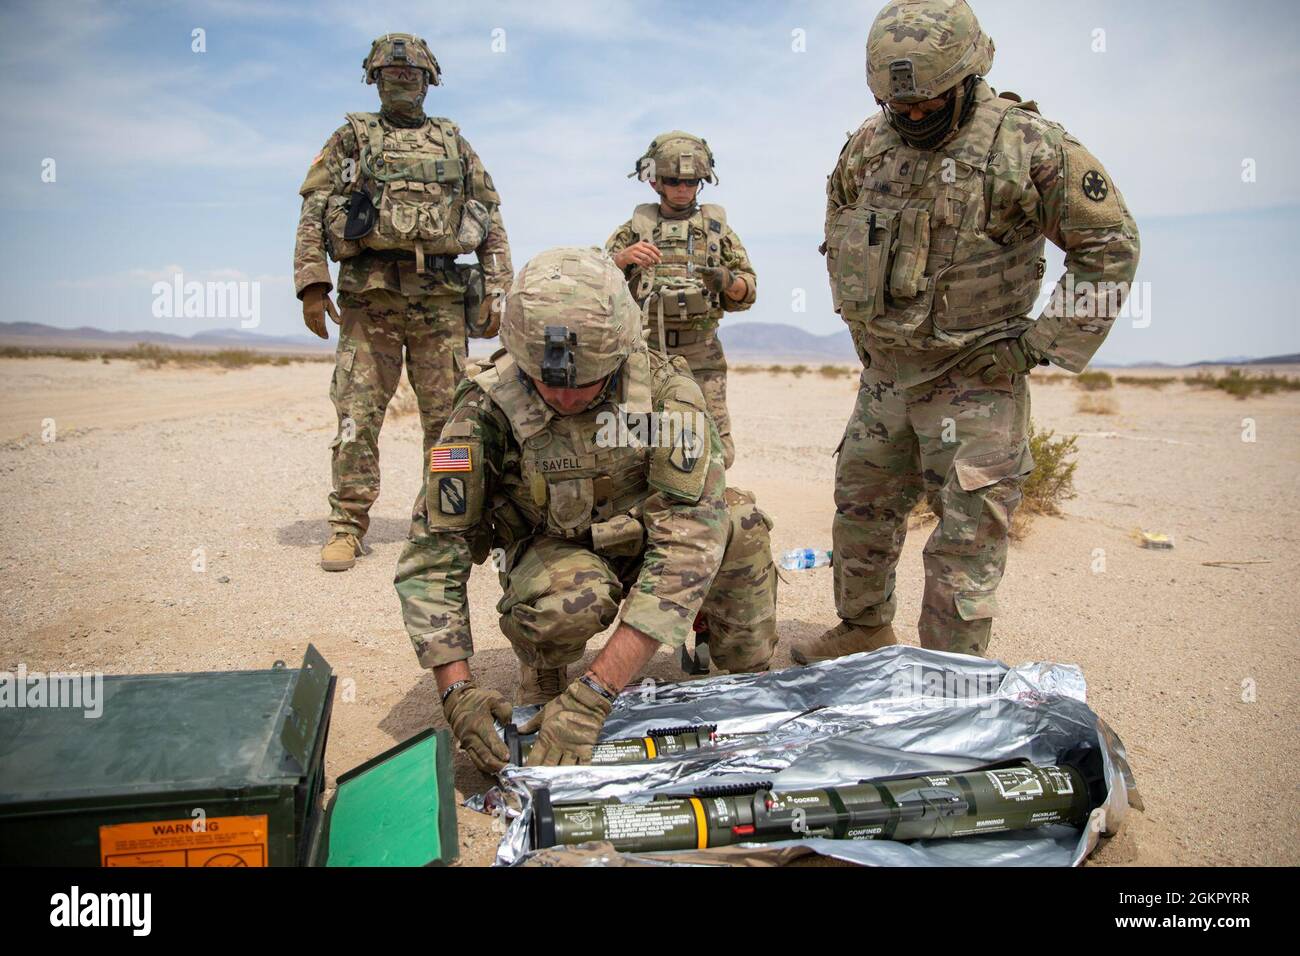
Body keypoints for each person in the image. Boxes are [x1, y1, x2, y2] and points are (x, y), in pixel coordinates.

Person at [794, 0, 1140, 663]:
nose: (915, 114)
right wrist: (860, 321)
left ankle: (948, 674)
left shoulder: (1028, 144)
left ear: (968, 74)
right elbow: (839, 217)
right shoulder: (870, 145)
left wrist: (1040, 344)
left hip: (975, 378)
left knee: (965, 538)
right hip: (888, 376)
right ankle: (863, 628)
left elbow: (1109, 243)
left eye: (930, 101)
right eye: (902, 105)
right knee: (861, 511)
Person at [394, 247, 778, 771]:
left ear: (620, 351)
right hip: (562, 552)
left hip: (655, 544)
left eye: (585, 384)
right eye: (547, 382)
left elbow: (687, 550)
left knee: (742, 527)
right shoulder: (483, 409)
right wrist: (457, 692)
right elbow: (433, 554)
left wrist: (595, 695)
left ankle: (740, 683)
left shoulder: (667, 396)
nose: (566, 398)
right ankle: (546, 665)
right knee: (564, 604)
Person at [293, 32, 513, 571]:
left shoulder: (454, 143)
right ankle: (348, 524)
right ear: (374, 78)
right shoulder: (352, 138)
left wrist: (498, 287)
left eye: (412, 73)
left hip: (440, 302)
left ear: (428, 80)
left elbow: (489, 217)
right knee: (357, 415)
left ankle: (446, 525)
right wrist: (312, 283)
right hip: (372, 301)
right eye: (392, 74)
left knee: (451, 423)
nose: (402, 80)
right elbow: (315, 209)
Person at [605, 131, 756, 469]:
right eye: (674, 180)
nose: (683, 188)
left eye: (692, 181)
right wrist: (622, 260)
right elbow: (597, 282)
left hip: (702, 353)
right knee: (638, 441)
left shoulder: (717, 231)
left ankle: (703, 511)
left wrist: (727, 281)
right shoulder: (634, 229)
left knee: (715, 448)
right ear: (655, 182)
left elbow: (749, 290)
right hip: (647, 352)